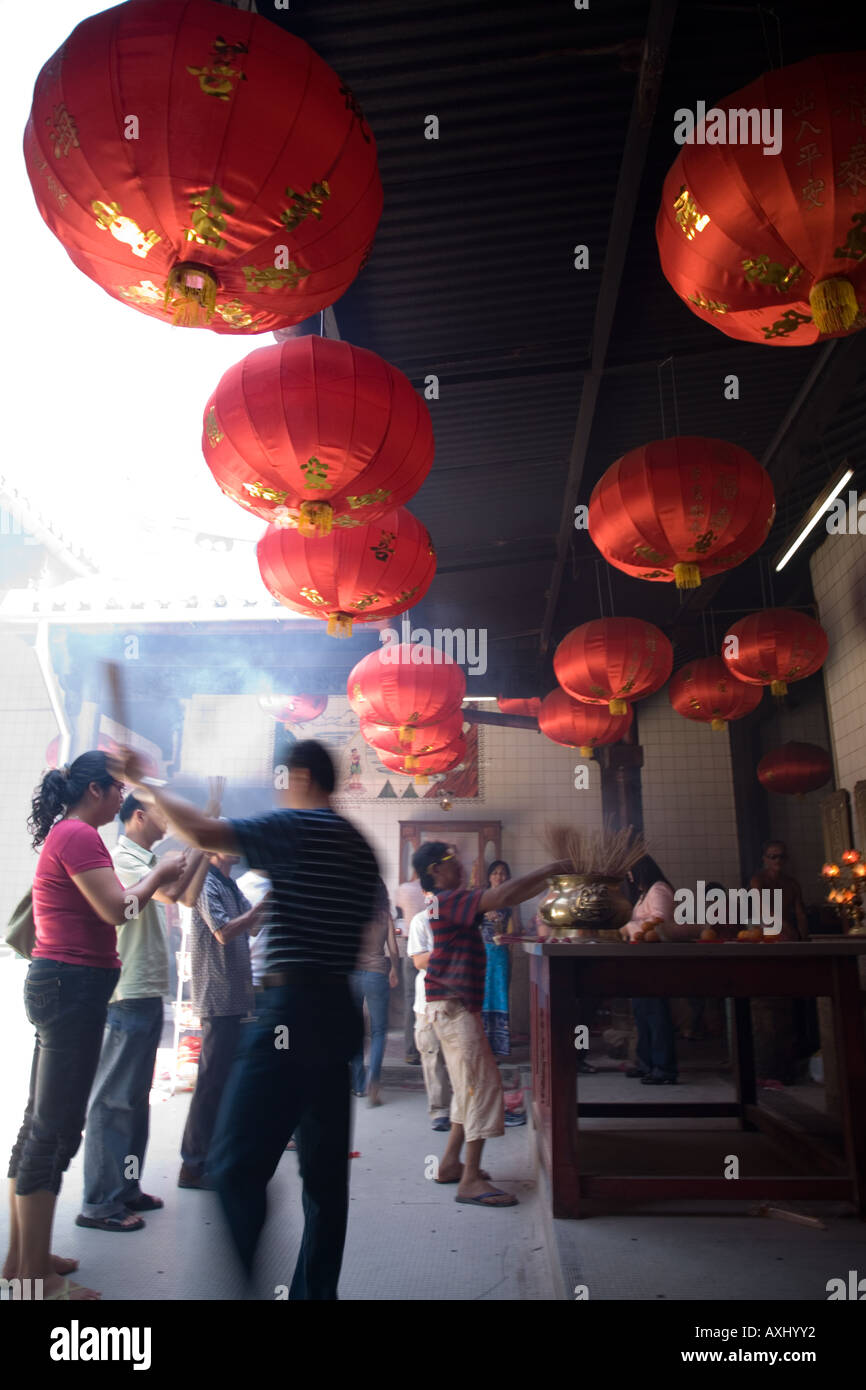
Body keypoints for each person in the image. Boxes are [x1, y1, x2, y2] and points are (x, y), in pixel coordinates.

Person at [117, 739, 380, 1299]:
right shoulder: (358, 844)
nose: (278, 788)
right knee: (325, 1177)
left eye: (283, 778)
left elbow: (207, 834)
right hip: (338, 1011)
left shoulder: (299, 826)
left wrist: (145, 784)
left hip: (293, 1012)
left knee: (233, 1163)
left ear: (303, 776)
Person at [4, 752, 185, 1301]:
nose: (121, 801)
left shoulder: (70, 834)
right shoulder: (80, 836)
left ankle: (23, 1259)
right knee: (53, 1131)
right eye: (116, 791)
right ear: (97, 792)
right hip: (71, 986)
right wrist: (159, 874)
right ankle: (36, 1279)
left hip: (65, 984)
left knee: (42, 1124)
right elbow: (118, 912)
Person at [77, 789, 213, 1232]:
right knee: (113, 1100)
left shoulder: (145, 858)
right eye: (161, 811)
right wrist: (197, 835)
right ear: (138, 816)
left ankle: (126, 1188)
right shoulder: (123, 858)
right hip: (127, 988)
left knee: (134, 1100)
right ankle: (98, 1204)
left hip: (147, 988)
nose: (168, 818)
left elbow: (187, 896)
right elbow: (171, 893)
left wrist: (202, 844)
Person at [412, 840, 570, 1208]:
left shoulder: (450, 899)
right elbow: (501, 896)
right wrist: (550, 870)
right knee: (482, 1086)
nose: (462, 864)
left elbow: (505, 896)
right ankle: (470, 1181)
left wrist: (553, 879)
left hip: (449, 1006)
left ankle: (451, 1162)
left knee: (469, 1086)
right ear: (436, 869)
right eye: (454, 860)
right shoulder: (446, 899)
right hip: (452, 1006)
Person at [178, 844, 265, 1190]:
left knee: (224, 1082)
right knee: (211, 1083)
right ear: (211, 850)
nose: (235, 847)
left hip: (236, 994)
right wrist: (263, 907)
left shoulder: (230, 885)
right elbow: (225, 931)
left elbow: (254, 926)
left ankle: (213, 1158)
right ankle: (193, 1165)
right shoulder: (206, 883)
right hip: (216, 994)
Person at [620, 854, 690, 1086]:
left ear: (642, 870)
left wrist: (629, 926)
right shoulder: (644, 894)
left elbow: (659, 923)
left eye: (631, 870)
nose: (629, 876)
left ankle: (664, 1068)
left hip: (655, 959)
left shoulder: (659, 890)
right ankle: (646, 1063)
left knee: (656, 1014)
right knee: (642, 1013)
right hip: (641, 958)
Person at [749, 841, 809, 1087]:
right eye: (772, 856)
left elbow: (801, 913)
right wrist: (785, 928)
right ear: (764, 858)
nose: (776, 861)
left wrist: (805, 943)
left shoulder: (792, 884)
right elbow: (762, 909)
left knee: (786, 1007)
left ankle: (785, 1069)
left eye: (780, 857)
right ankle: (765, 1069)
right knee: (765, 1007)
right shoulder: (758, 881)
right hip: (765, 939)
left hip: (787, 943)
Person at [350, 879, 400, 1106]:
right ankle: (374, 1083)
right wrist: (394, 971)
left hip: (352, 975)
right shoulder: (384, 916)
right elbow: (393, 948)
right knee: (379, 1031)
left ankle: (359, 1085)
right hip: (377, 974)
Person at [408, 901, 453, 1131]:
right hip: (426, 1000)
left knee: (457, 1056)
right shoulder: (420, 920)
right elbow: (419, 960)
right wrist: (450, 950)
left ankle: (461, 1108)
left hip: (456, 998)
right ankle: (440, 1110)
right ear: (425, 895)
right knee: (431, 1053)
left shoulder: (458, 919)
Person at [480, 861, 519, 1059]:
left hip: (501, 954)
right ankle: (483, 1047)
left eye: (503, 873)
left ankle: (498, 1048)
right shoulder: (481, 898)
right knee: (483, 998)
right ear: (489, 876)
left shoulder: (510, 900)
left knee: (500, 997)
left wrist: (504, 932)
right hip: (482, 954)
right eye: (495, 873)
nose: (499, 876)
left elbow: (515, 931)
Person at [394, 873, 426, 1063]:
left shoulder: (404, 889)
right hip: (427, 951)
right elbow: (435, 922)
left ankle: (410, 1051)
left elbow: (398, 912)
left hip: (409, 947)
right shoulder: (433, 894)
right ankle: (428, 1048)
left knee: (410, 999)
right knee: (428, 999)